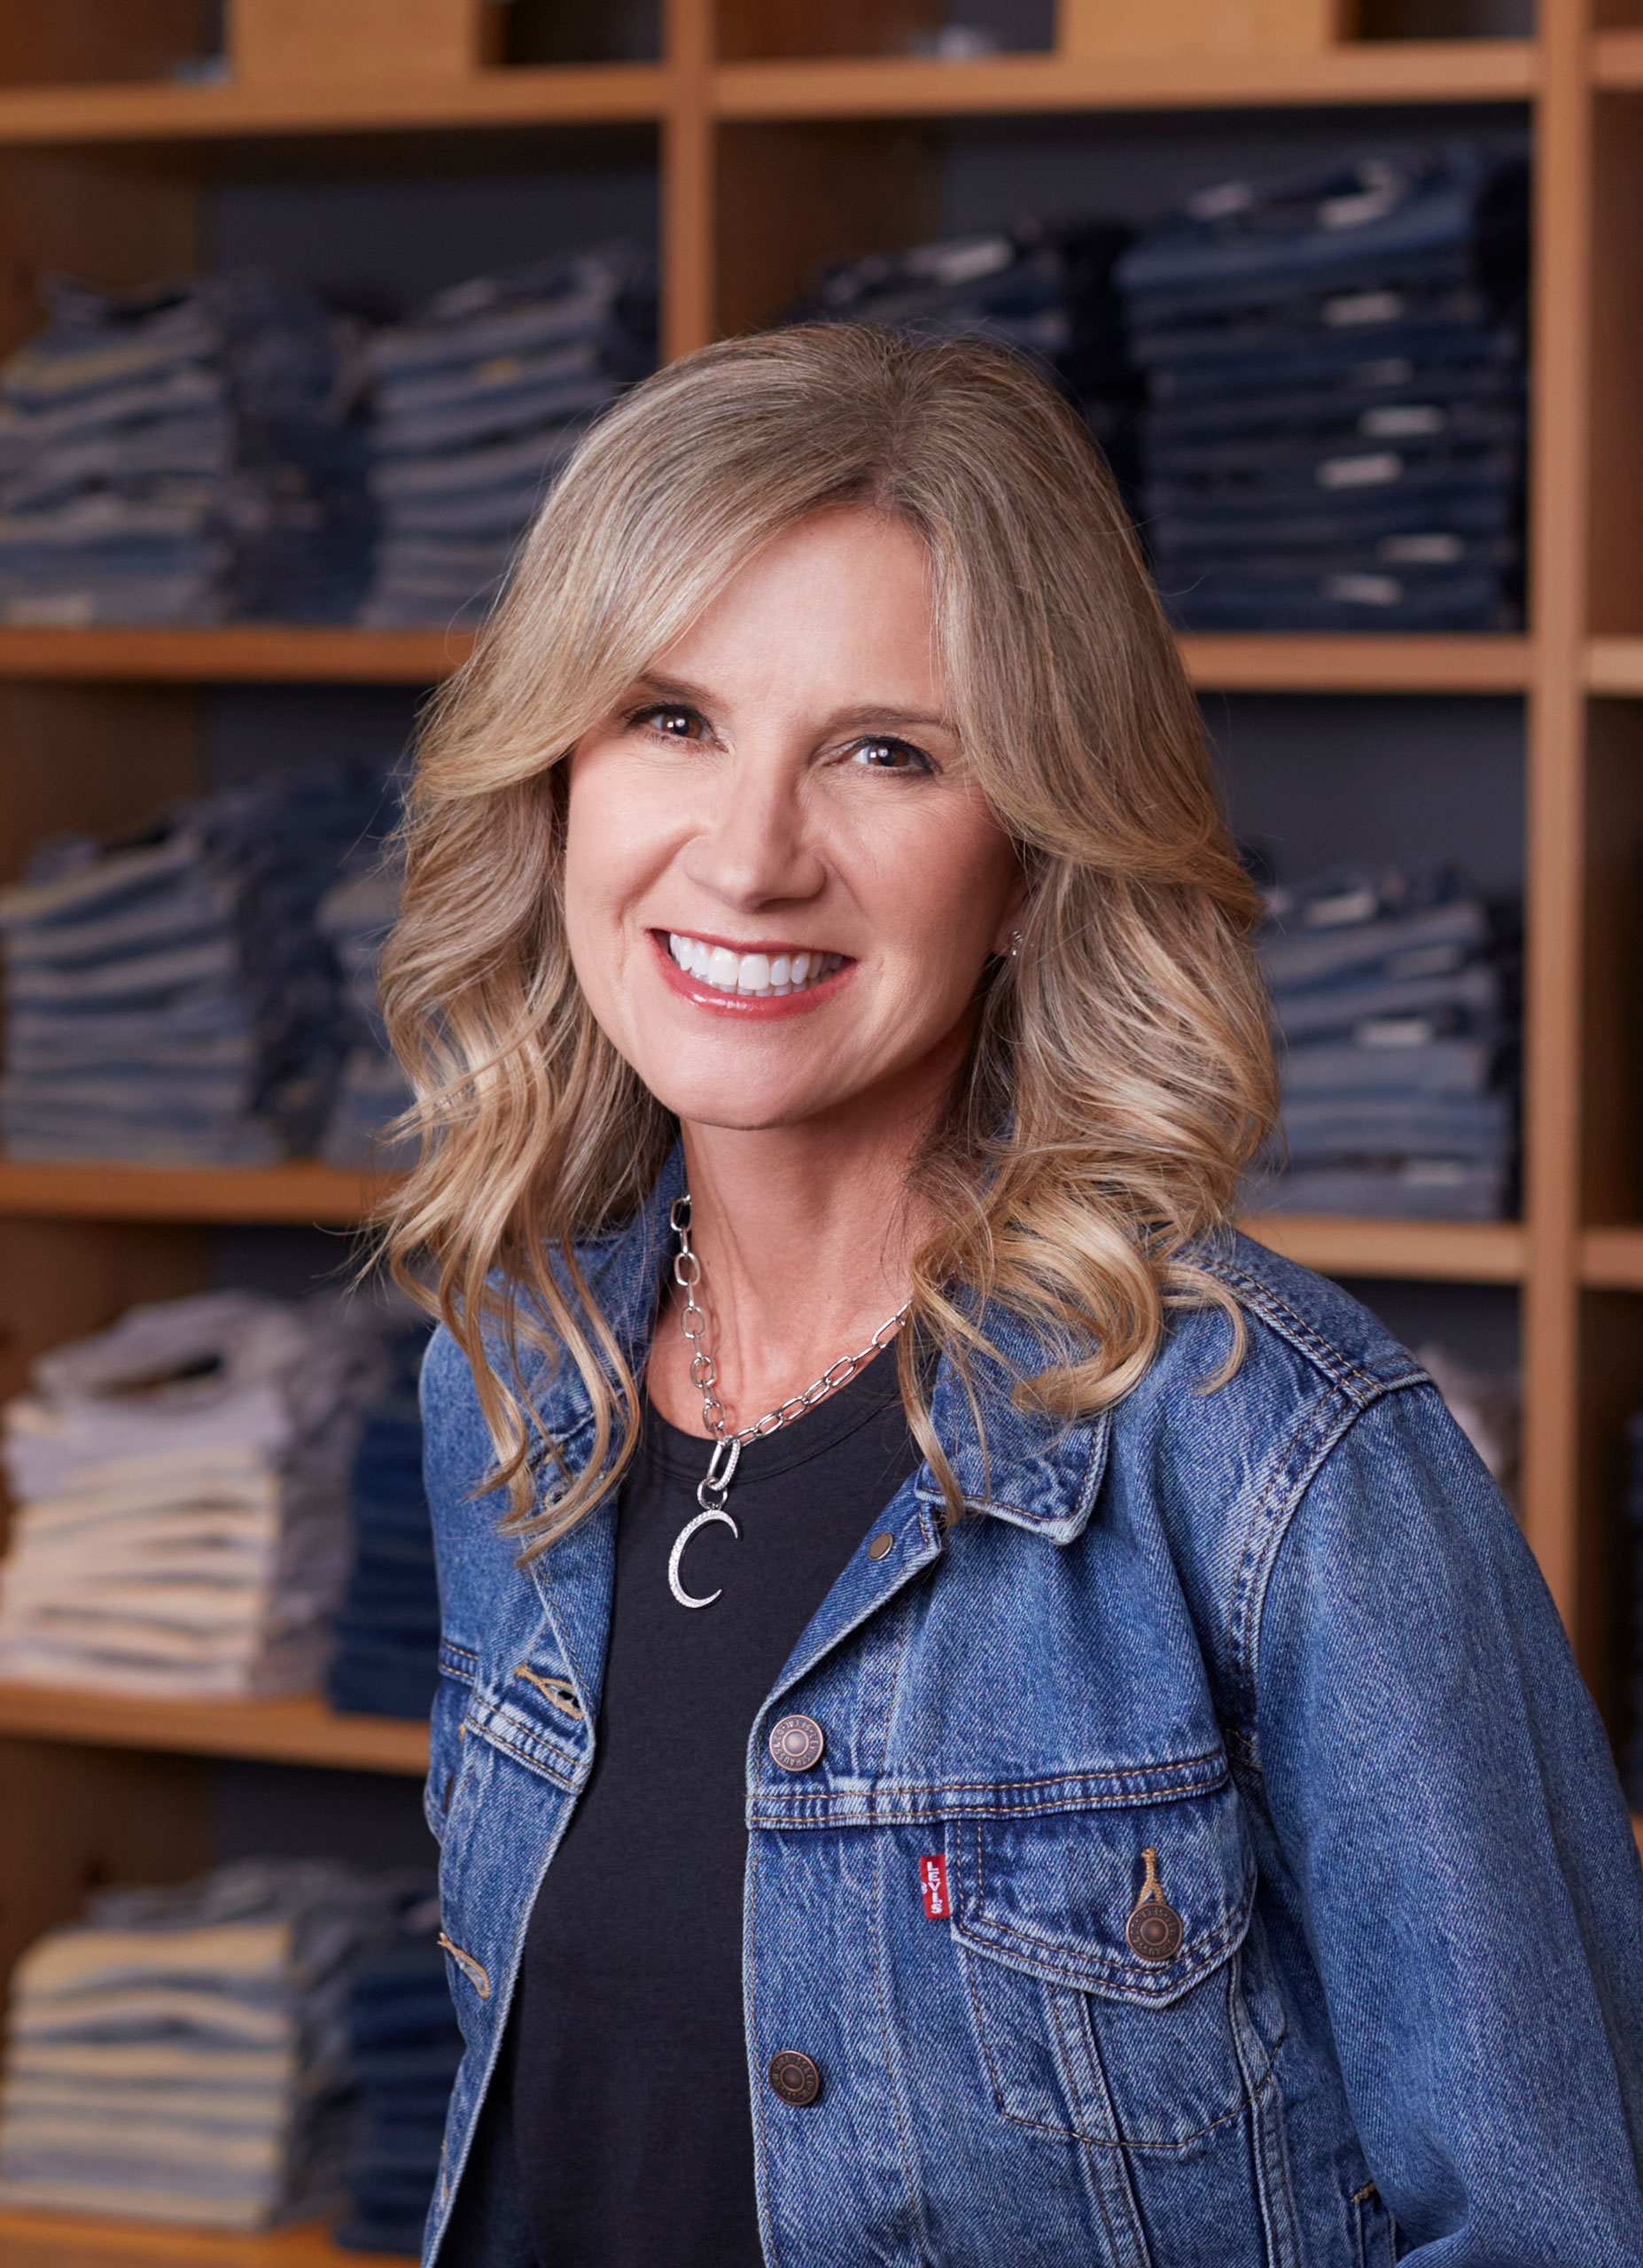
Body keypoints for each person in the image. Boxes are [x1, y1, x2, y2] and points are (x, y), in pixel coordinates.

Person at [382, 326, 1643, 2268]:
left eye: (886, 751)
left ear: (1038, 856)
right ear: (554, 774)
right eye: (670, 718)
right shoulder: (507, 1387)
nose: (749, 851)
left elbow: (1559, 2224)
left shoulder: (1272, 1457)